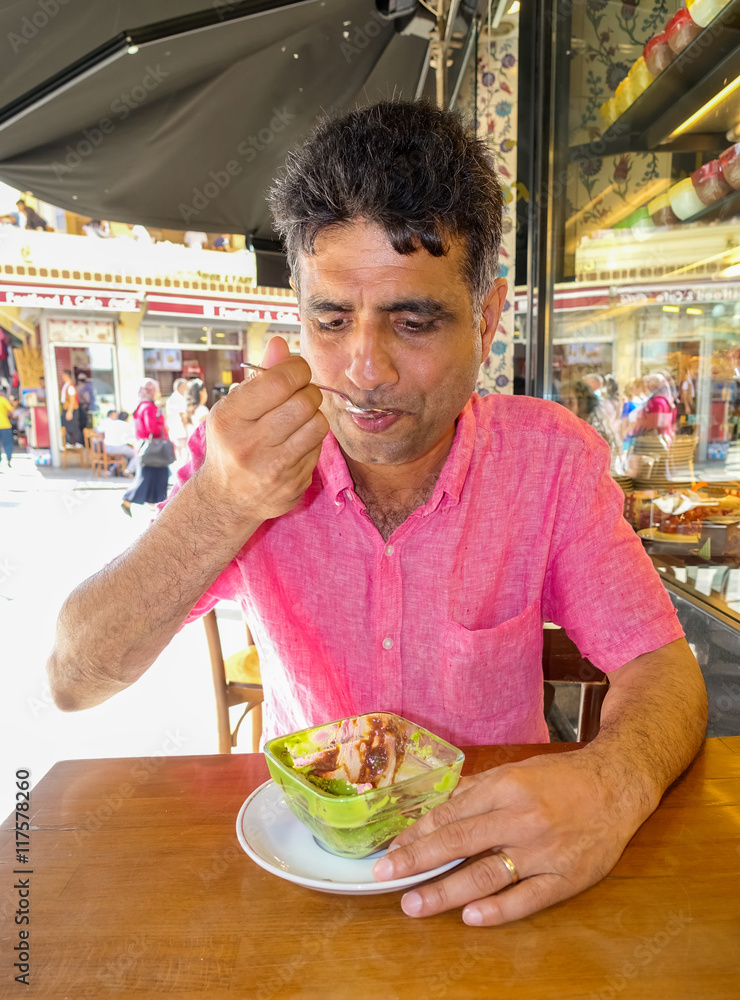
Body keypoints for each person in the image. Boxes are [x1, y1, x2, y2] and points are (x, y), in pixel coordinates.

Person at [47, 100, 707, 928]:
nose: (365, 370)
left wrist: (614, 782)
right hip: (305, 874)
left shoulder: (548, 464)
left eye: (414, 320)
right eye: (331, 320)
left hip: (498, 873)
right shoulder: (247, 464)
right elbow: (74, 678)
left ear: (487, 320)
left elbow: (663, 669)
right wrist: (220, 506)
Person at [120, 380, 169, 515]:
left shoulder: (141, 406)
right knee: (152, 477)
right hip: (153, 448)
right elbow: (151, 428)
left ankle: (155, 505)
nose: (159, 393)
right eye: (157, 390)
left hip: (146, 448)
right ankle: (128, 499)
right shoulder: (148, 407)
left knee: (151, 476)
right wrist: (162, 424)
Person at [98, 409, 136, 476]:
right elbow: (132, 435)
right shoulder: (125, 424)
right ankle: (128, 470)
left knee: (122, 456)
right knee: (137, 454)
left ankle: (111, 470)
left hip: (107, 448)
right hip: (118, 447)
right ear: (127, 419)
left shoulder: (110, 423)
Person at [165, 378, 189, 462]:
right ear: (181, 387)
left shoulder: (171, 398)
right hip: (181, 431)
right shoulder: (180, 399)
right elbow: (182, 415)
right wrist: (187, 429)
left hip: (173, 430)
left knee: (178, 453)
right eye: (186, 387)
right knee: (184, 452)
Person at [60, 369, 80, 447]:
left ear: (66, 375)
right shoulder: (66, 385)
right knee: (67, 426)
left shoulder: (70, 386)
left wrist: (69, 411)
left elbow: (72, 400)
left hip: (71, 409)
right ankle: (69, 442)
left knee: (73, 426)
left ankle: (75, 442)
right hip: (66, 408)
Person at [0, 387, 16, 470]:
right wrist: (14, 404)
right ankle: (9, 459)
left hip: (4, 426)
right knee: (8, 444)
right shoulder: (3, 400)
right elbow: (11, 410)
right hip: (4, 425)